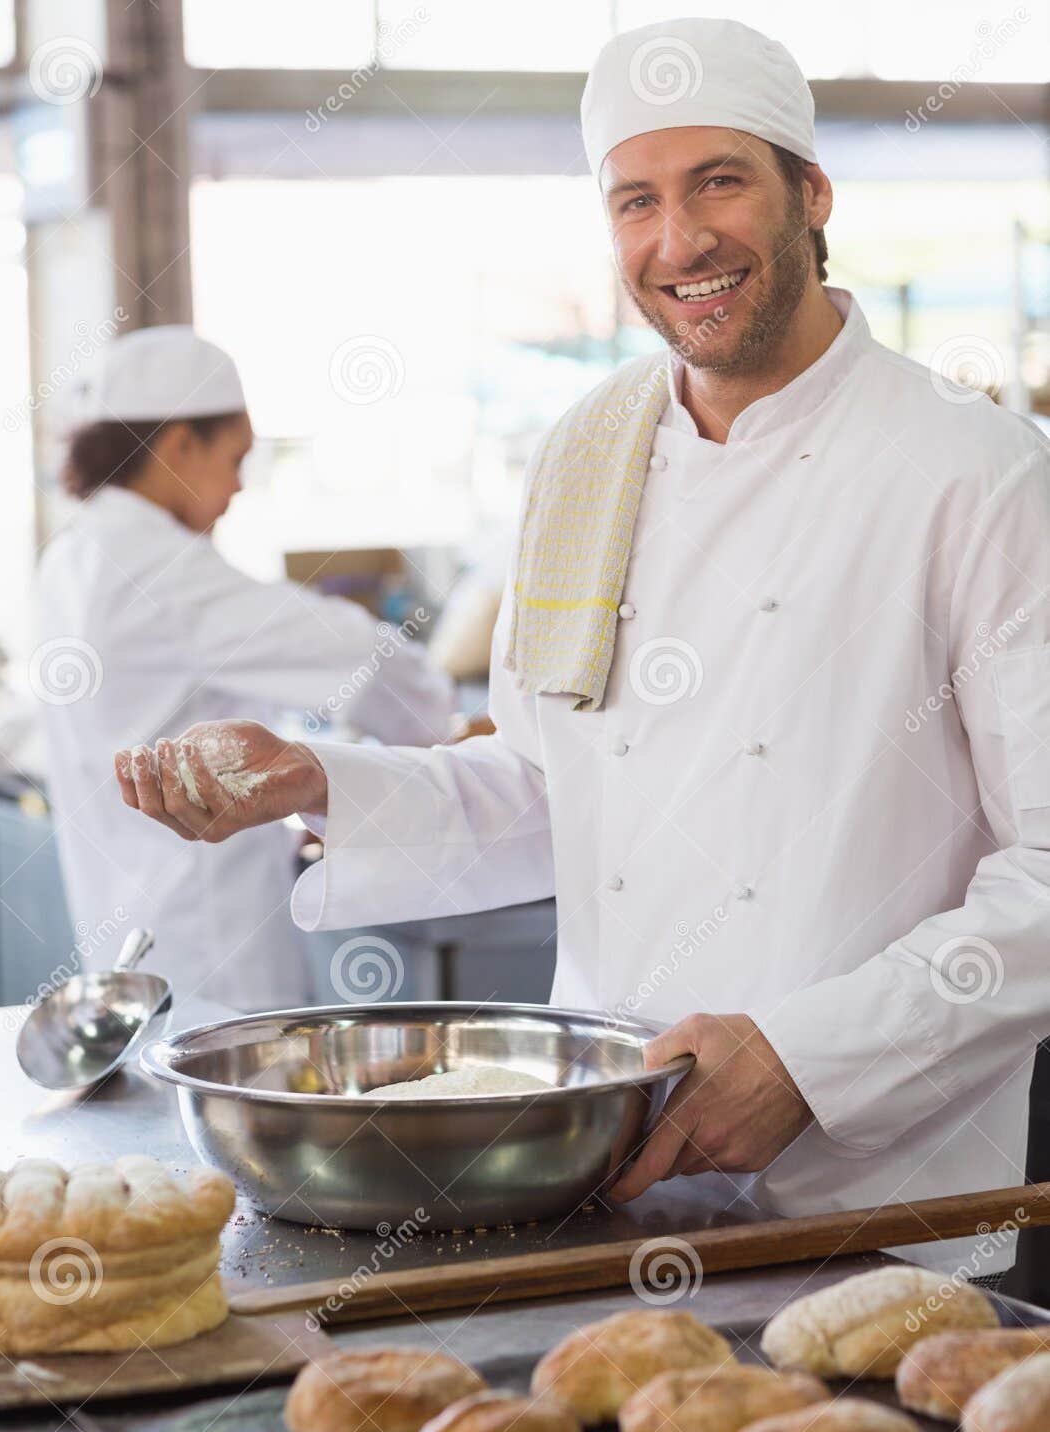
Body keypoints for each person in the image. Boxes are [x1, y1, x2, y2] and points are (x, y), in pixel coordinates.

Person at [116, 19, 1050, 1274]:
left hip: (878, 1198)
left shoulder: (976, 473)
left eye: (718, 181)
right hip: (602, 1173)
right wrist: (326, 778)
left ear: (810, 193)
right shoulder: (584, 455)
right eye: (635, 201)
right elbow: (558, 780)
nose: (679, 242)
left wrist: (808, 1060)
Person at [36, 326, 453, 1008]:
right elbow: (363, 661)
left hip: (126, 917)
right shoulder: (159, 570)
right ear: (178, 445)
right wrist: (445, 732)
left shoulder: (74, 552)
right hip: (207, 932)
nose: (236, 486)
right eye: (235, 458)